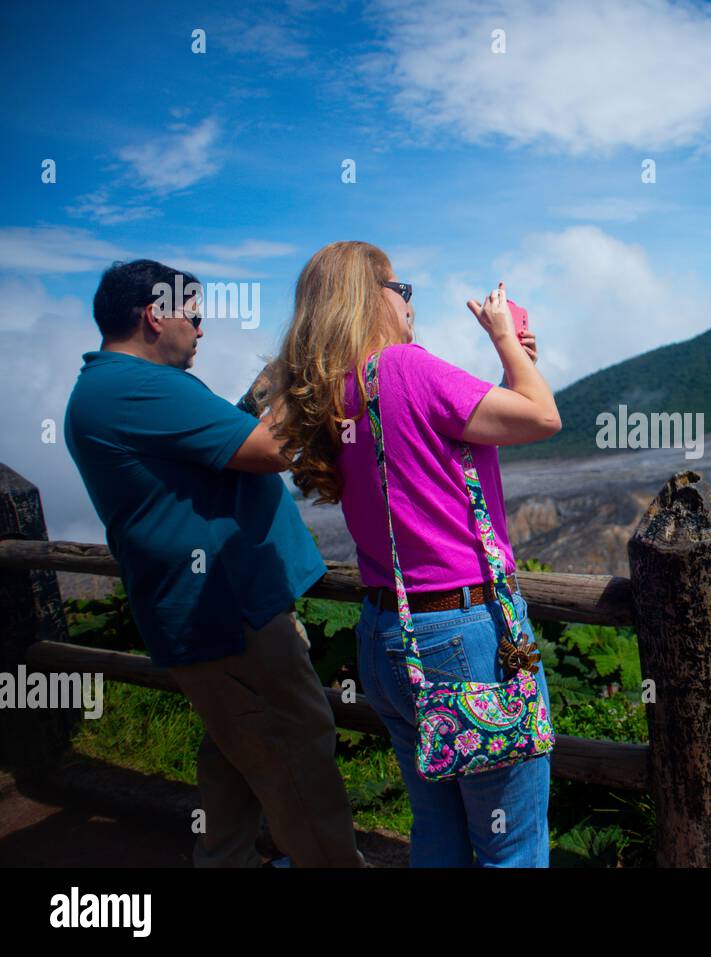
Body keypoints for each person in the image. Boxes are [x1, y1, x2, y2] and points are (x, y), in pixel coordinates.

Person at [264, 241, 561, 867]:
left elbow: (443, 452)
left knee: (439, 832)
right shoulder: (407, 368)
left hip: (387, 637)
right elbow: (542, 417)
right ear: (371, 297)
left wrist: (515, 367)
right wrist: (506, 338)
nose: (409, 303)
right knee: (512, 845)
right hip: (465, 637)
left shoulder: (332, 393)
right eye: (403, 290)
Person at [63, 259, 364, 868]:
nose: (201, 331)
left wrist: (276, 377)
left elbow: (213, 439)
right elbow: (268, 448)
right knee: (295, 749)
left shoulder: (117, 387)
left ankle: (224, 859)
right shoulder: (135, 387)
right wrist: (311, 366)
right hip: (229, 614)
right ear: (156, 315)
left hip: (220, 610)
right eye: (194, 317)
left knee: (239, 747)